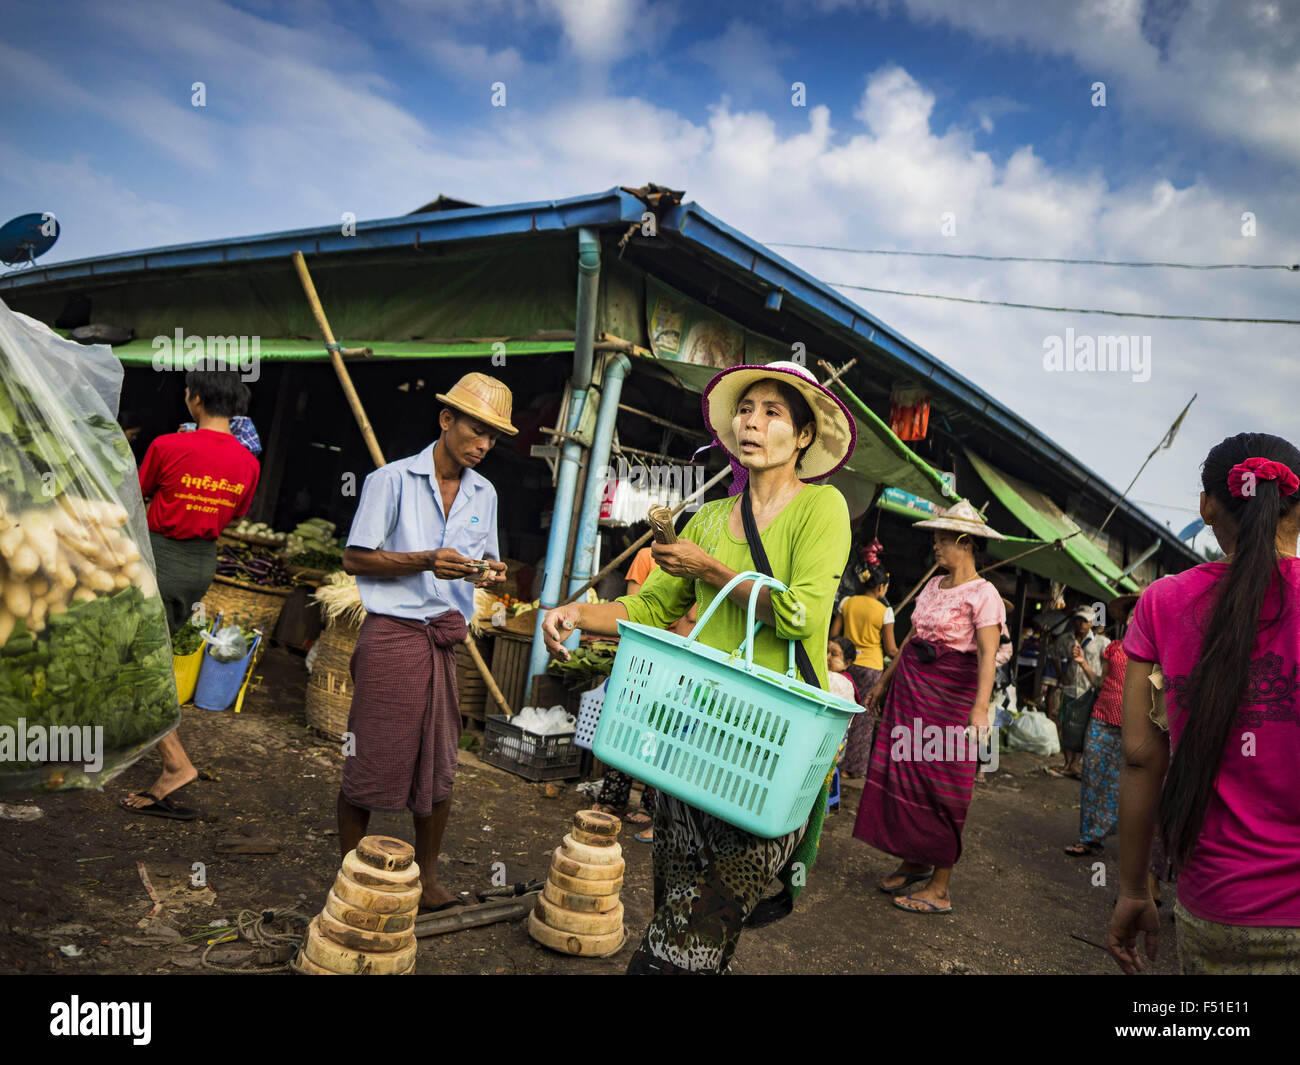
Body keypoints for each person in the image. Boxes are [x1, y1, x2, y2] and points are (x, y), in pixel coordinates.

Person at [542, 360, 854, 974]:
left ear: (805, 436)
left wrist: (712, 570)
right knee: (680, 915)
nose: (752, 423)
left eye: (772, 413)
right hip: (695, 743)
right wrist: (577, 613)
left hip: (769, 748)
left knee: (684, 941)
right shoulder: (710, 517)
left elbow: (799, 615)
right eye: (745, 409)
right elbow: (652, 606)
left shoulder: (823, 509)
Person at [1110, 434, 1300, 976]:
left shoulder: (1162, 602)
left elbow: (1143, 758)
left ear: (1206, 505)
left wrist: (1131, 888)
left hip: (1220, 903)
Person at [338, 373, 513, 913]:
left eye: (493, 437)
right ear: (446, 420)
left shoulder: (486, 494)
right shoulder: (389, 481)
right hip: (392, 636)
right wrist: (423, 559)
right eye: (477, 430)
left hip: (443, 641)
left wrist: (490, 575)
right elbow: (355, 559)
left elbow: (488, 569)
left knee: (440, 762)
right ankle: (353, 872)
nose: (483, 445)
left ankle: (428, 875)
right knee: (370, 753)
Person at [853, 500, 1010, 914]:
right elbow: (910, 640)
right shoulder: (932, 586)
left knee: (945, 788)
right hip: (910, 694)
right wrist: (884, 682)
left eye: (941, 538)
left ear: (963, 540)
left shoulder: (985, 594)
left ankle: (940, 886)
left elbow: (988, 655)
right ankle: (915, 860)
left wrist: (980, 708)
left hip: (952, 702)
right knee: (906, 775)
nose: (935, 546)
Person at [121, 370, 261, 820]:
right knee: (150, 658)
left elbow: (136, 496)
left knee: (139, 664)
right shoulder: (249, 462)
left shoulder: (167, 446)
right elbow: (235, 515)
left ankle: (175, 764)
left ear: (194, 399)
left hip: (160, 557)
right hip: (202, 565)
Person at [1064, 594, 1137, 856]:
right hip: (1100, 719)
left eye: (1138, 613)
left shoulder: (1156, 654)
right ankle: (1087, 836)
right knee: (1092, 778)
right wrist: (1083, 662)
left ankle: (1099, 833)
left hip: (1131, 726)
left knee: (1116, 784)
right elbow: (1099, 682)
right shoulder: (1114, 648)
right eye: (1130, 614)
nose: (1133, 618)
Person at [830, 562, 897, 776]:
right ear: (881, 588)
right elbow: (890, 648)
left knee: (840, 712)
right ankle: (852, 768)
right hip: (871, 667)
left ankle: (832, 762)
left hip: (845, 664)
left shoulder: (847, 602)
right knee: (864, 717)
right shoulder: (885, 612)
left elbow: (835, 635)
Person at [1047, 608, 1108, 778]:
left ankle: (1075, 764)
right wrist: (1061, 675)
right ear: (1075, 621)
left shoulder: (1102, 642)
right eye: (1079, 620)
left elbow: (1108, 664)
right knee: (1067, 726)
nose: (1082, 624)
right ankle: (1067, 763)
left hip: (1090, 690)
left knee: (1083, 729)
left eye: (1086, 621)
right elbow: (1053, 654)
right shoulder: (1065, 639)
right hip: (1070, 688)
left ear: (1091, 623)